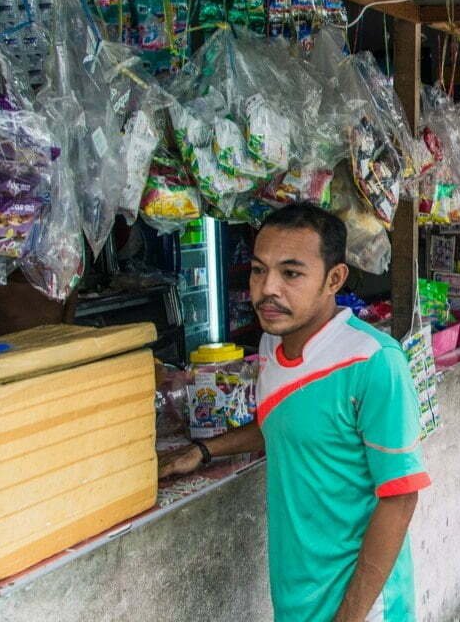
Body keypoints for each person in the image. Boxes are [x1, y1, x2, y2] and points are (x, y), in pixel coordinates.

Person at [159, 203, 430, 622]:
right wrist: (206, 450)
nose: (268, 288)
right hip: (296, 592)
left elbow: (400, 498)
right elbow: (285, 422)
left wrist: (350, 616)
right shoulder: (271, 346)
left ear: (333, 279)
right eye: (257, 270)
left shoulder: (374, 362)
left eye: (291, 273)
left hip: (363, 604)